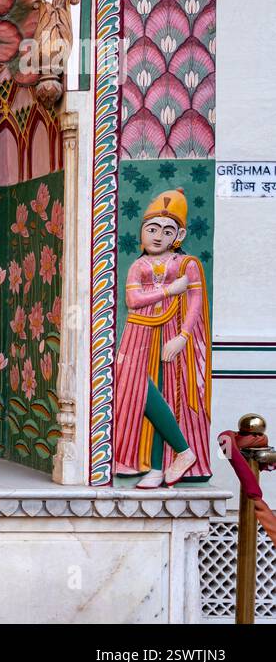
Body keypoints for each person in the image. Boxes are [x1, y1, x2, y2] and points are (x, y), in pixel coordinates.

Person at [112, 188, 212, 487]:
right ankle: (180, 451)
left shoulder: (186, 264)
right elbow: (133, 300)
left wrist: (182, 337)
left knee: (166, 395)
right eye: (152, 229)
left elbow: (195, 302)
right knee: (135, 391)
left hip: (171, 334)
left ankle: (160, 465)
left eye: (167, 231)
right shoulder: (139, 265)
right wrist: (170, 290)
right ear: (142, 232)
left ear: (177, 235)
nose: (158, 236)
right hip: (137, 333)